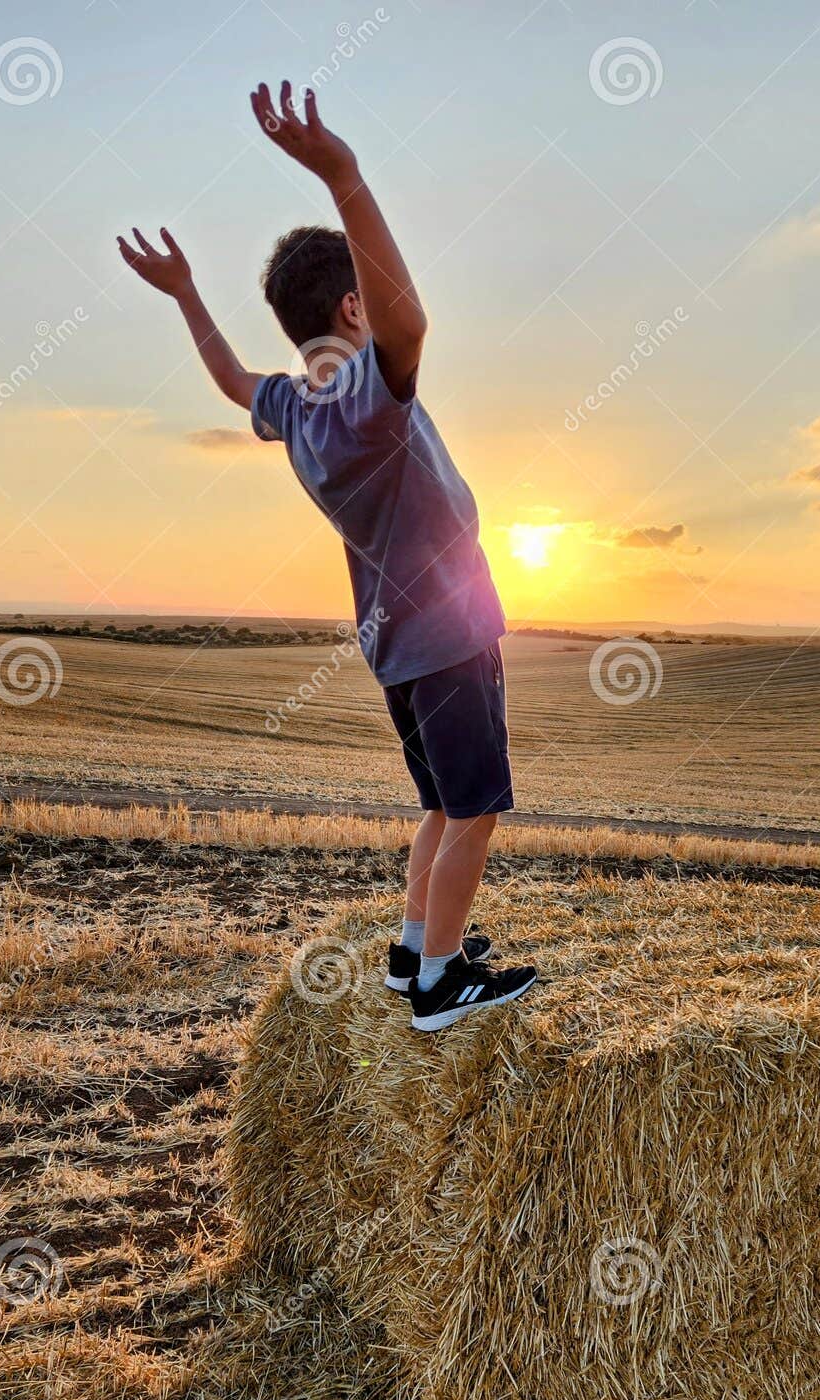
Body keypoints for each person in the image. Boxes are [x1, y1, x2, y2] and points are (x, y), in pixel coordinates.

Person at [117, 79, 536, 1031]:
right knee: (475, 808)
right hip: (451, 633)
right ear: (354, 307)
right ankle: (439, 985)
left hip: (394, 645)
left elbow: (231, 381)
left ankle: (411, 945)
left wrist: (186, 294)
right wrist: (343, 173)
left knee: (438, 802)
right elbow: (413, 325)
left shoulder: (295, 409)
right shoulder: (360, 402)